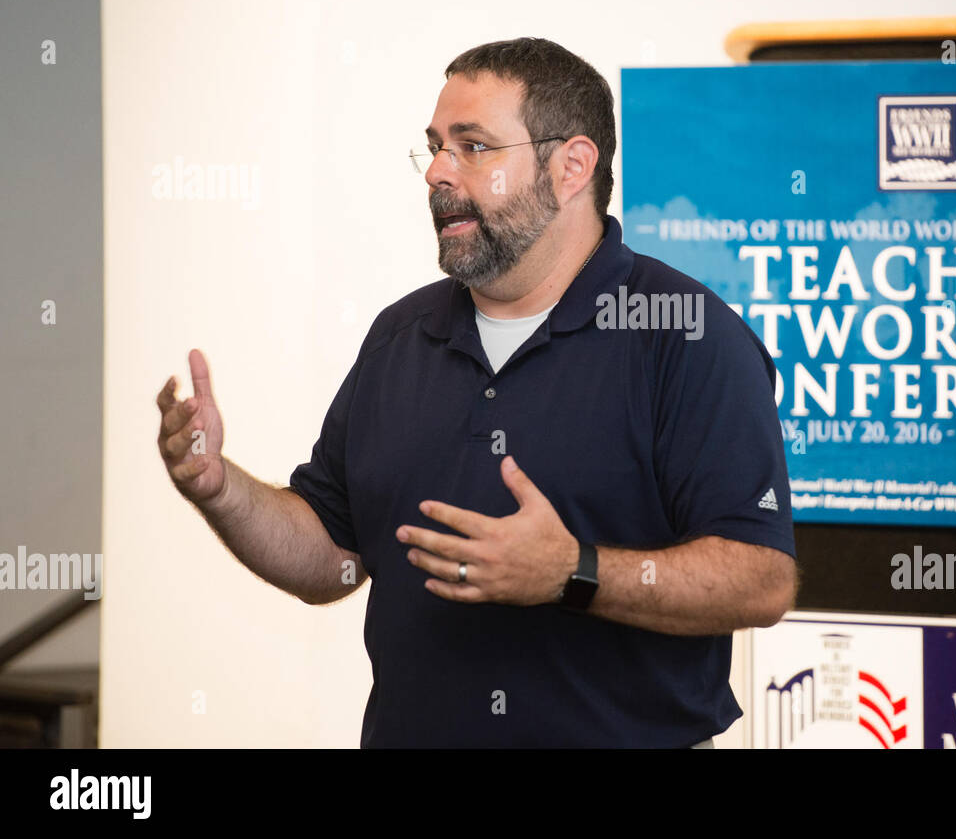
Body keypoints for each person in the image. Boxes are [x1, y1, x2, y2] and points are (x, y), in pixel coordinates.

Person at [156, 37, 798, 747]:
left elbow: (760, 578)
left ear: (571, 166)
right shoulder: (401, 336)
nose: (437, 172)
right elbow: (331, 557)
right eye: (434, 147)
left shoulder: (687, 337)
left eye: (473, 146)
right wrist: (219, 487)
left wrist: (571, 571)